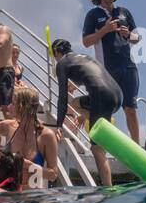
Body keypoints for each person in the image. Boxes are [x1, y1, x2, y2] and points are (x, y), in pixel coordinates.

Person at [51, 39, 121, 186]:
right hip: (117, 95)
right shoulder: (82, 57)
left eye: (54, 54)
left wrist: (59, 125)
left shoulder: (62, 63)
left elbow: (62, 97)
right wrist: (84, 114)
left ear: (57, 52)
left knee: (96, 148)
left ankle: (108, 190)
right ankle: (102, 126)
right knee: (75, 103)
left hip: (101, 96)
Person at [82, 0, 141, 143]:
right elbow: (86, 41)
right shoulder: (93, 15)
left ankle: (137, 148)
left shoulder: (124, 12)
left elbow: (137, 38)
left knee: (131, 108)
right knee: (106, 110)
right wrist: (104, 30)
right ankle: (106, 146)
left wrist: (128, 34)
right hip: (106, 69)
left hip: (128, 67)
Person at [0, 84, 59, 191]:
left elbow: (54, 175)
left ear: (23, 106)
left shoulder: (46, 136)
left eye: (13, 103)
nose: (9, 106)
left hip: (34, 198)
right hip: (10, 196)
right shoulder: (6, 127)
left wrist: (30, 167)